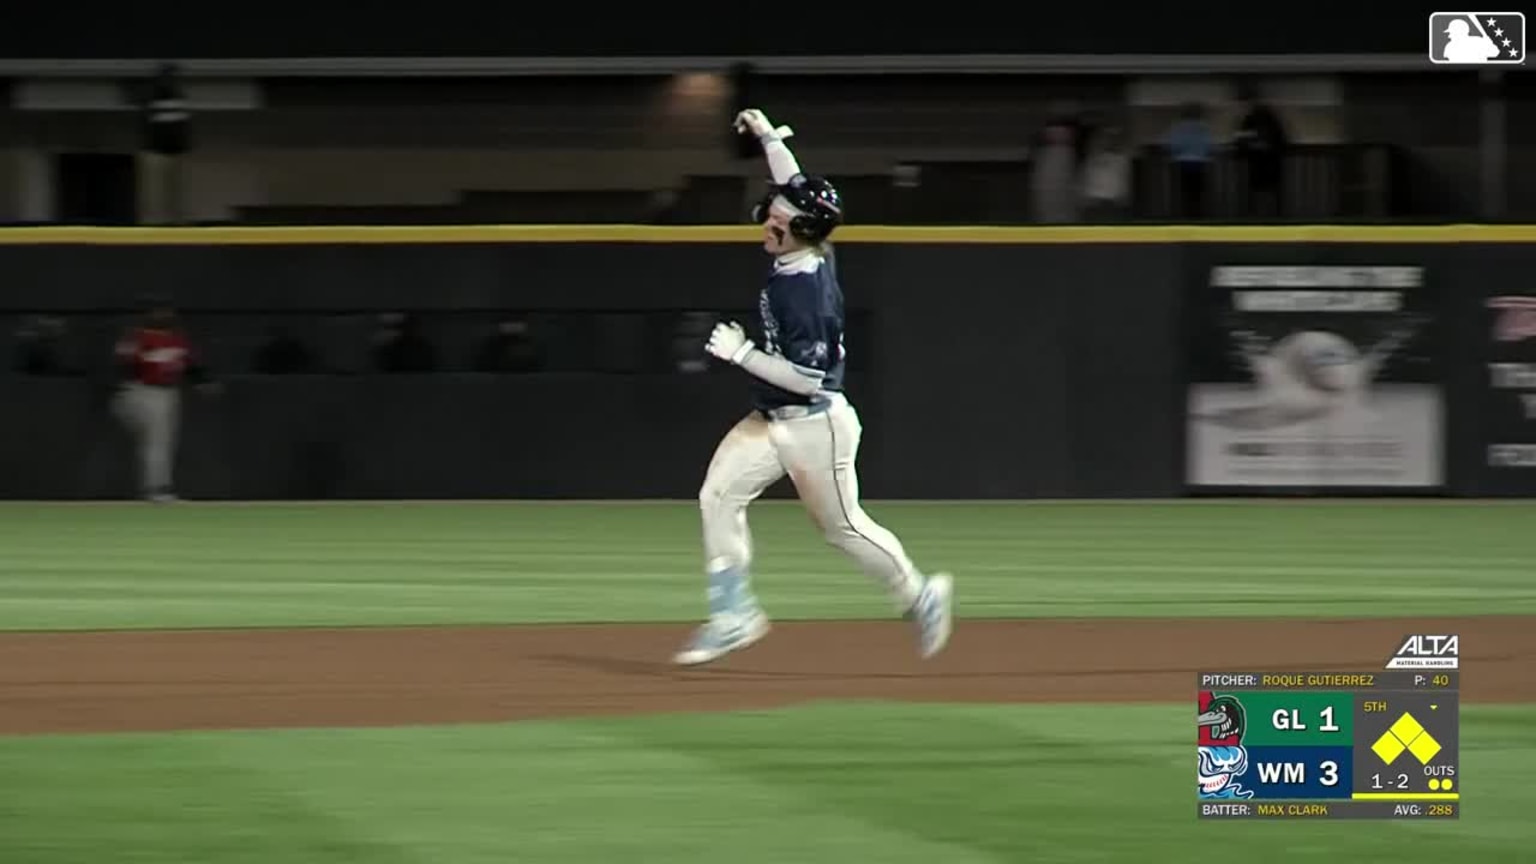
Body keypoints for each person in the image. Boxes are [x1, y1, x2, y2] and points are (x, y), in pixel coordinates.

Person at [672, 108, 954, 666]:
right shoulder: (805, 243)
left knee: (843, 528)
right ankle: (733, 615)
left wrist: (742, 353)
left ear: (801, 230)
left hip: (816, 423)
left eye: (778, 218)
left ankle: (919, 595)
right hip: (773, 417)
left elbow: (807, 379)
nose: (768, 220)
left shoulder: (807, 295)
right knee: (718, 495)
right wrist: (769, 136)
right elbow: (791, 177)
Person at [111, 296, 213, 501]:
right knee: (155, 439)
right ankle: (157, 488)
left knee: (159, 441)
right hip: (139, 391)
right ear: (147, 315)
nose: (163, 316)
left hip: (165, 395)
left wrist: (203, 383)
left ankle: (158, 489)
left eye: (166, 312)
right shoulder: (136, 337)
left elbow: (192, 366)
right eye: (158, 312)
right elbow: (122, 364)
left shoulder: (177, 340)